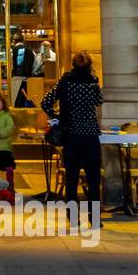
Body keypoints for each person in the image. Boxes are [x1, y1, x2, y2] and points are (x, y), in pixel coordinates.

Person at [42, 51, 104, 209]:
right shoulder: (92, 82)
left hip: (70, 134)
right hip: (90, 134)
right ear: (90, 65)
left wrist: (56, 117)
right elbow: (99, 100)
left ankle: (72, 213)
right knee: (93, 177)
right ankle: (94, 215)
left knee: (71, 177)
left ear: (73, 64)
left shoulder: (65, 82)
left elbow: (46, 102)